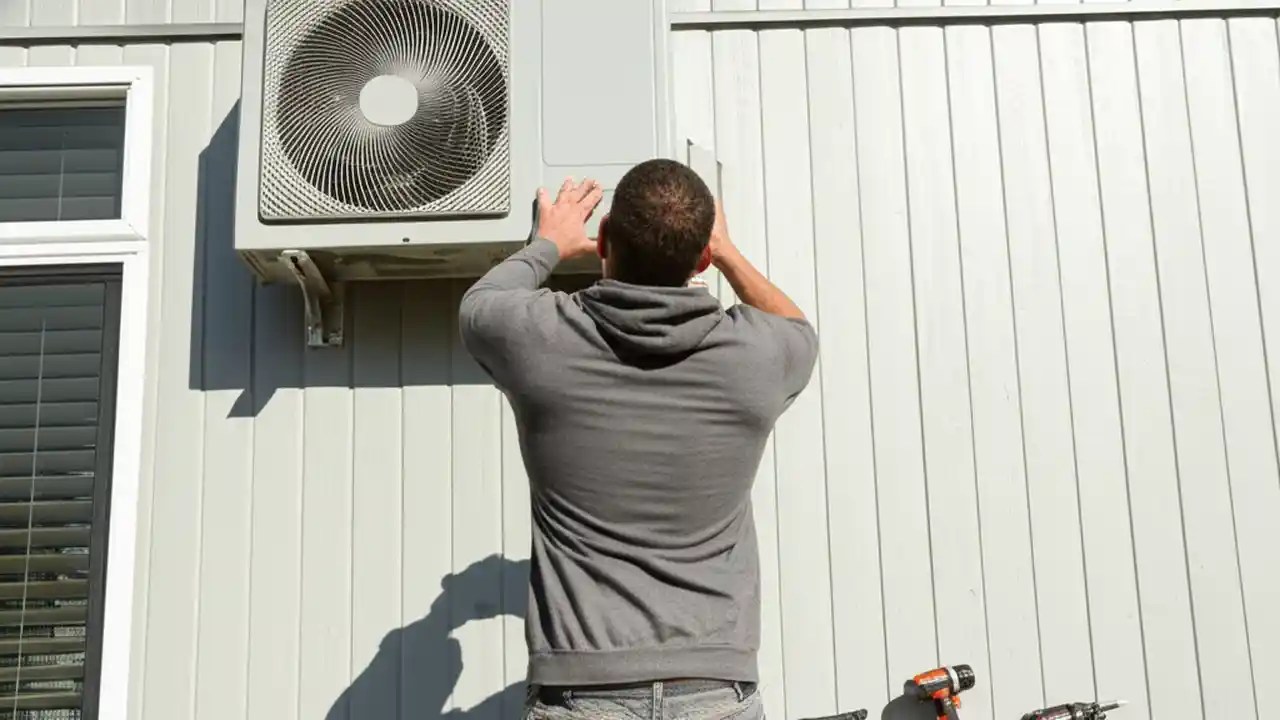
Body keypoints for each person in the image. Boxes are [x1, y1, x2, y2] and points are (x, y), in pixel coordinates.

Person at [457, 159, 818, 720]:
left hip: (582, 692)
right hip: (715, 690)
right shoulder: (759, 357)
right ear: (701, 258)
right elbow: (798, 328)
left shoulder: (539, 340)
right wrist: (726, 251)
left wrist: (548, 243)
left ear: (602, 239)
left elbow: (480, 303)